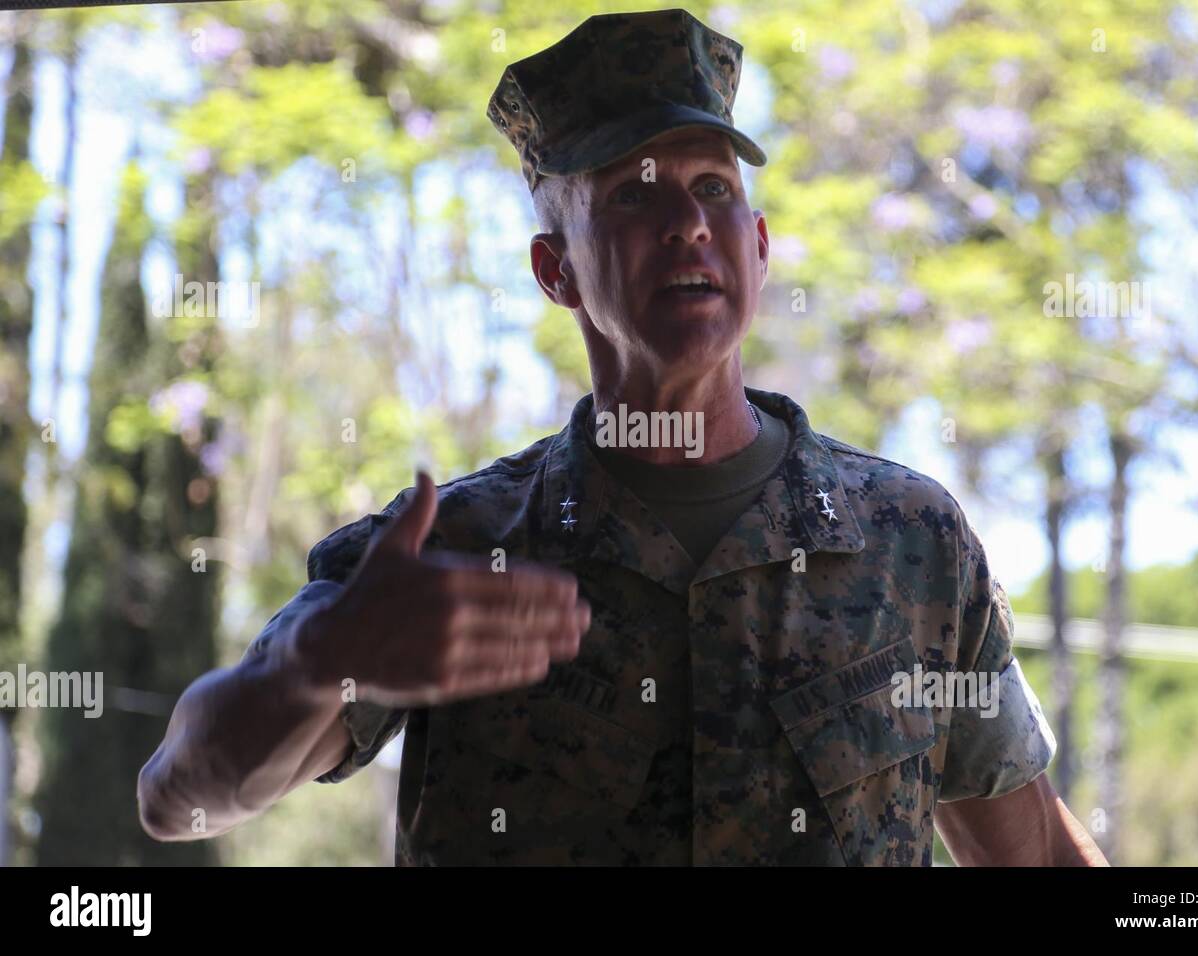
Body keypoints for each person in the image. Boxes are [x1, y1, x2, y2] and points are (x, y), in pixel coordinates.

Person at [138, 8, 1106, 866]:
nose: (688, 224)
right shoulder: (454, 548)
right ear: (555, 270)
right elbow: (181, 795)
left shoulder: (911, 542)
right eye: (633, 195)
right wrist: (325, 652)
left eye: (714, 189)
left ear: (759, 249)